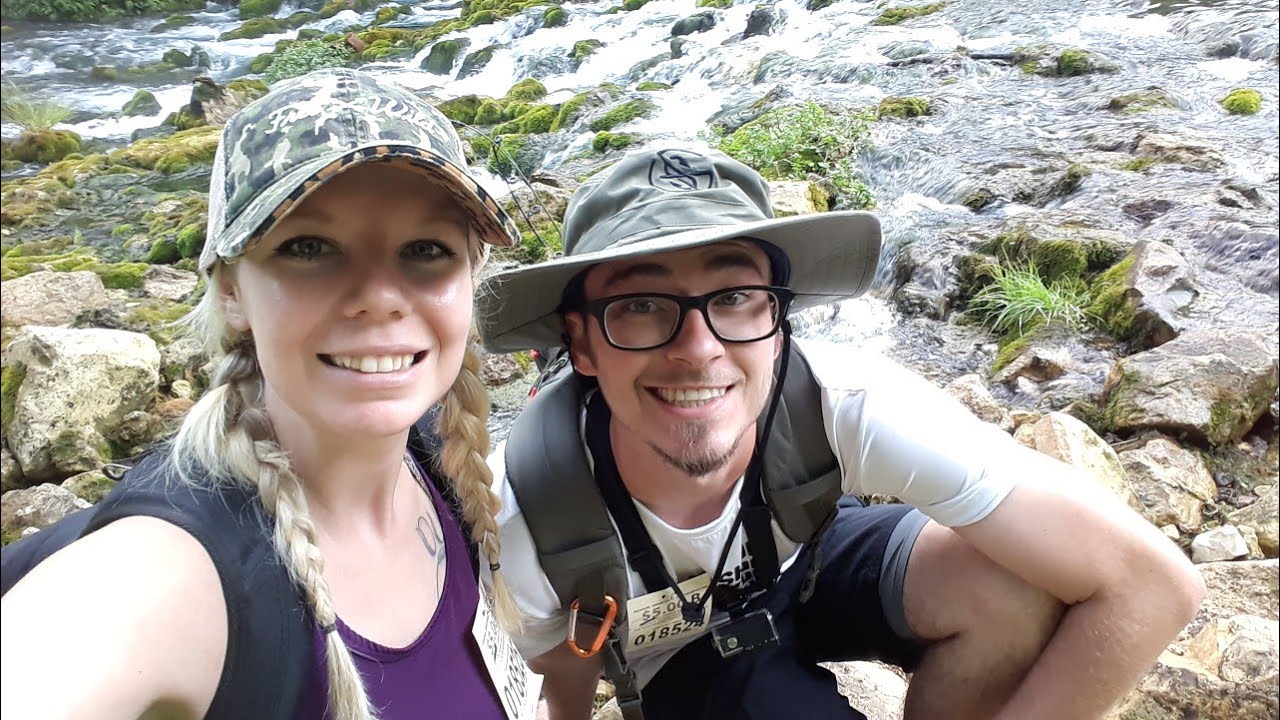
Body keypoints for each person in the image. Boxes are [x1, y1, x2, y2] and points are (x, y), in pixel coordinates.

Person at [475, 148, 1205, 720]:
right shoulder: (526, 517)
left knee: (1016, 581)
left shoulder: (842, 402)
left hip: (809, 558)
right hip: (681, 658)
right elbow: (564, 669)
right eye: (640, 305)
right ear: (582, 345)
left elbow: (1152, 585)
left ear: (779, 322)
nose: (698, 348)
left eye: (733, 297)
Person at [1, 68, 526, 720]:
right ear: (229, 290)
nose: (381, 298)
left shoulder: (445, 470)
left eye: (427, 248)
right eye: (310, 247)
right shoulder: (175, 572)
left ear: (471, 279)